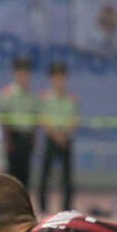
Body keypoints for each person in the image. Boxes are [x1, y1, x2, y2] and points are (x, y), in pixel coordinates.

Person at [37, 62, 78, 212]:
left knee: (67, 177)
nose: (59, 81)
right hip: (51, 139)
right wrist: (55, 135)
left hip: (66, 139)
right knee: (45, 175)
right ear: (51, 79)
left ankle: (66, 209)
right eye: (56, 78)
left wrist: (65, 134)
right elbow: (43, 119)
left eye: (62, 77)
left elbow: (74, 120)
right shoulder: (45, 98)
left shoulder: (71, 99)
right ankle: (43, 209)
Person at [0, 57, 37, 191]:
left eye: (26, 74)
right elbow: (3, 119)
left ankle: (22, 202)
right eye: (20, 74)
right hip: (13, 136)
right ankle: (11, 203)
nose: (23, 77)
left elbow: (33, 121)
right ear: (15, 74)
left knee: (25, 172)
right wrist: (7, 140)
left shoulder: (31, 95)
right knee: (12, 173)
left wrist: (33, 139)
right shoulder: (8, 93)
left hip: (26, 137)